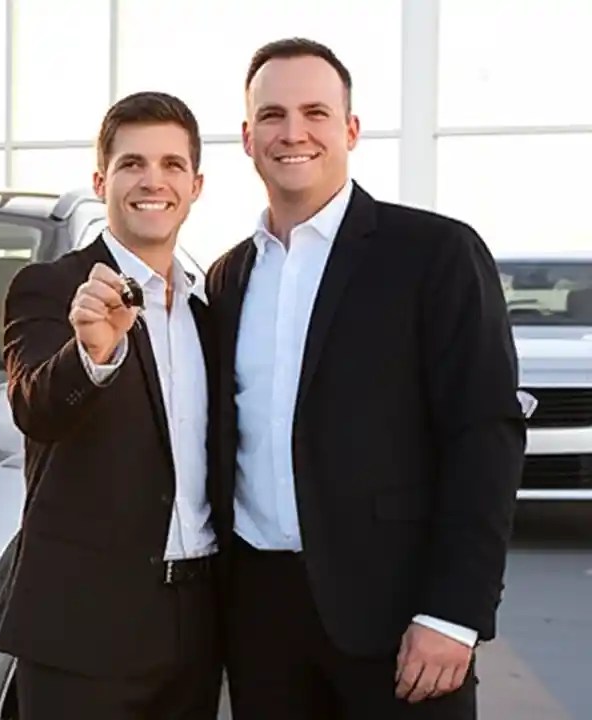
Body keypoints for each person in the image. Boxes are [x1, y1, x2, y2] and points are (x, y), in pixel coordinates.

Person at [206, 37, 526, 719]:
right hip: (261, 619)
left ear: (350, 129)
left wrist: (454, 613)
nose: (293, 133)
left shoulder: (434, 254)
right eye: (272, 116)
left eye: (316, 112)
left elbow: (484, 436)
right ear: (246, 137)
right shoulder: (229, 276)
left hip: (400, 619)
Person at [0, 91, 222, 719]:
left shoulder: (212, 307)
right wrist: (92, 355)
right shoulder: (49, 286)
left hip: (197, 623)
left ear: (197, 185)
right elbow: (36, 405)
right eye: (132, 164)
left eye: (172, 165)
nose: (154, 181)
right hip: (84, 631)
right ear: (101, 181)